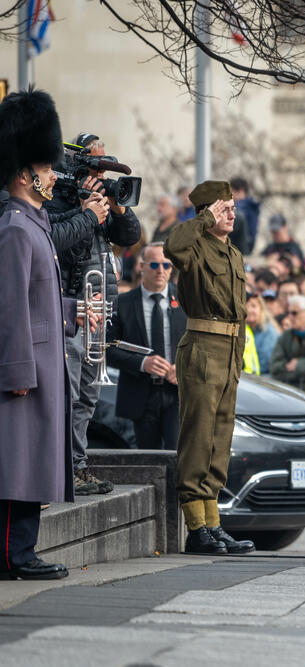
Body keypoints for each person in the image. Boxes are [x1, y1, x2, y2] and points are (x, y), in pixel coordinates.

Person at [0, 89, 91, 581]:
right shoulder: (16, 228)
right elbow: (10, 307)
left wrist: (75, 310)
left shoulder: (33, 225)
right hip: (26, 370)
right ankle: (13, 556)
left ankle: (22, 551)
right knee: (18, 465)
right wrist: (17, 371)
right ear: (23, 174)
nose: (54, 175)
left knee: (32, 462)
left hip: (40, 365)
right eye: (46, 167)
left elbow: (37, 299)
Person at [163, 180, 255, 555]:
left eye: (232, 208)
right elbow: (172, 246)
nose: (231, 214)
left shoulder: (233, 253)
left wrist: (238, 358)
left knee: (219, 440)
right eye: (223, 209)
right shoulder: (196, 245)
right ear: (207, 213)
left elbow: (239, 312)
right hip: (203, 347)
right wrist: (202, 220)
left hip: (229, 349)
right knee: (198, 437)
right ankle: (196, 527)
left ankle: (213, 524)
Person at [49, 132, 142, 496]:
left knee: (88, 397)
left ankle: (78, 466)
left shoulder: (101, 200)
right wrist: (84, 209)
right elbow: (60, 246)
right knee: (69, 395)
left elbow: (131, 235)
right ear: (77, 163)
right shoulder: (60, 197)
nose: (101, 175)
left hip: (100, 313)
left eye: (105, 167)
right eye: (96, 166)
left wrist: (116, 207)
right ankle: (61, 470)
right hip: (73, 311)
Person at [106, 243, 186, 450]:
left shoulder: (186, 300)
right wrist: (142, 363)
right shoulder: (123, 303)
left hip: (176, 392)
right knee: (147, 456)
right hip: (141, 393)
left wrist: (184, 367)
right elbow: (107, 349)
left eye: (166, 265)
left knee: (177, 455)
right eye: (154, 265)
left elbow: (201, 345)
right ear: (141, 266)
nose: (161, 271)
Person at [246, 293, 279, 374]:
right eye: (246, 306)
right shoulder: (245, 330)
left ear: (262, 309)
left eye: (253, 306)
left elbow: (264, 363)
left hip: (263, 378)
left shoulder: (269, 333)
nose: (249, 310)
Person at [230, 177, 261, 254]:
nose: (230, 196)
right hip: (247, 246)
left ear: (241, 191)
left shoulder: (243, 206)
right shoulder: (250, 205)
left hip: (242, 246)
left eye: (231, 192)